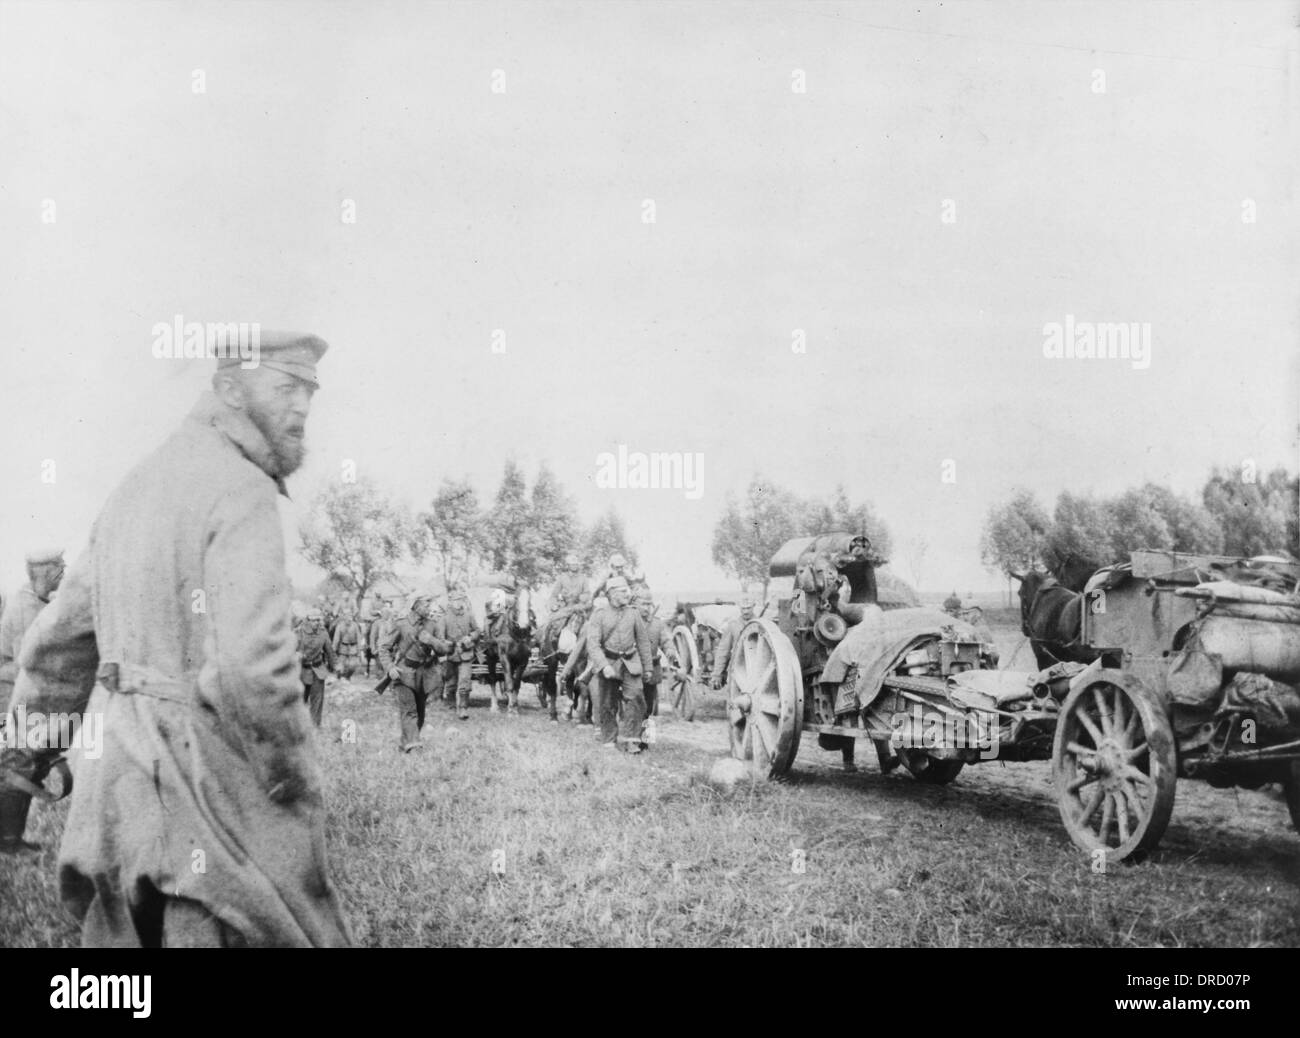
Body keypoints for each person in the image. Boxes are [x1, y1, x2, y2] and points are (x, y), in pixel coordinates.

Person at [0, 331, 351, 946]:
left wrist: (29, 745)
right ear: (229, 390)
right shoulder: (241, 489)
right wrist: (290, 779)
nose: (300, 408)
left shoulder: (137, 486)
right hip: (207, 791)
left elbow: (57, 645)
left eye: (308, 392)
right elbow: (252, 670)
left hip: (116, 794)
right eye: (283, 387)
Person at [586, 576, 653, 753]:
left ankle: (632, 739)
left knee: (636, 698)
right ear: (612, 593)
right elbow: (593, 644)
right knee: (607, 703)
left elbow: (643, 642)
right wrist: (604, 665)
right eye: (623, 591)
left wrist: (648, 668)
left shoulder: (633, 613)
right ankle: (609, 739)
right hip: (609, 662)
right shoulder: (599, 614)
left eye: (627, 590)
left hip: (631, 662)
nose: (627, 594)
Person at [0, 547, 65, 717]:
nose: (64, 567)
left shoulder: (48, 599)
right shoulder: (23, 606)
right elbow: (26, 664)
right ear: (45, 572)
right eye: (59, 565)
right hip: (13, 690)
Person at [382, 594, 438, 752]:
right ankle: (414, 745)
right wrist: (390, 667)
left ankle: (405, 744)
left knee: (420, 713)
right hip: (403, 672)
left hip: (424, 674)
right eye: (426, 604)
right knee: (409, 710)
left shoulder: (432, 625)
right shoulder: (400, 624)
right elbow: (384, 648)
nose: (429, 608)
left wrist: (432, 641)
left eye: (429, 604)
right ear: (416, 606)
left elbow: (444, 648)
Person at [634, 589, 678, 747]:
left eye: (648, 604)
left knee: (648, 706)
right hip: (631, 669)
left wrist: (670, 650)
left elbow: (666, 640)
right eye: (642, 604)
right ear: (635, 603)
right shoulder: (629, 621)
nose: (646, 608)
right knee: (632, 704)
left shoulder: (657, 623)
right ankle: (630, 738)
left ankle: (645, 740)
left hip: (651, 670)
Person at [432, 588, 480, 720]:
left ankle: (463, 708)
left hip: (466, 654)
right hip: (451, 655)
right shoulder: (444, 618)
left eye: (461, 600)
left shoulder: (469, 615)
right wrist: (449, 644)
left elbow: (477, 631)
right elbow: (440, 638)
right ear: (451, 602)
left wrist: (470, 637)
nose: (459, 603)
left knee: (465, 681)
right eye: (456, 600)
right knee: (451, 684)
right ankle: (451, 705)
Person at [709, 593, 757, 690]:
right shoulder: (733, 625)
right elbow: (723, 650)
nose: (746, 611)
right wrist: (717, 674)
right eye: (743, 608)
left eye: (748, 608)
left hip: (756, 668)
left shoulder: (760, 624)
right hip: (737, 668)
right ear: (739, 608)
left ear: (754, 607)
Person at [296, 609, 335, 727]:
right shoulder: (299, 632)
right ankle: (299, 727)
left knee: (317, 700)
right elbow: (290, 650)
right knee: (300, 700)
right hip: (302, 671)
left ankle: (315, 726)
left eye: (319, 620)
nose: (317, 623)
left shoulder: (323, 632)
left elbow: (330, 651)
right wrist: (298, 655)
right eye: (314, 620)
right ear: (307, 621)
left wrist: (336, 665)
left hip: (318, 670)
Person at [331, 603, 363, 681]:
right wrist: (333, 650)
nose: (349, 618)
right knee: (340, 666)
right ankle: (339, 677)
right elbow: (336, 639)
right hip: (343, 647)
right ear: (344, 616)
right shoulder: (340, 626)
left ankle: (347, 676)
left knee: (353, 665)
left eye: (350, 616)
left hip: (353, 647)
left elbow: (359, 638)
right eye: (347, 616)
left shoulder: (355, 625)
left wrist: (359, 650)